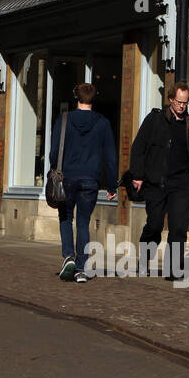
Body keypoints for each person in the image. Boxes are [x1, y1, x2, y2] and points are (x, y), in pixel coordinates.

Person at [129, 81, 189, 282]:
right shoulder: (155, 120)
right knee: (154, 225)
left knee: (178, 227)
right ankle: (145, 257)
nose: (182, 106)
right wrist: (137, 175)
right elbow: (138, 147)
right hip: (157, 182)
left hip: (182, 184)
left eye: (185, 103)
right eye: (179, 102)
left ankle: (173, 269)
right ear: (171, 99)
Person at [51, 83, 117, 283]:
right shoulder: (103, 123)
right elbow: (111, 157)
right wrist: (112, 185)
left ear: (76, 97)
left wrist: (55, 168)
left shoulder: (63, 120)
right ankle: (81, 268)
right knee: (83, 223)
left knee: (65, 218)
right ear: (93, 99)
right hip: (91, 179)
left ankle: (68, 256)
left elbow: (54, 152)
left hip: (67, 178)